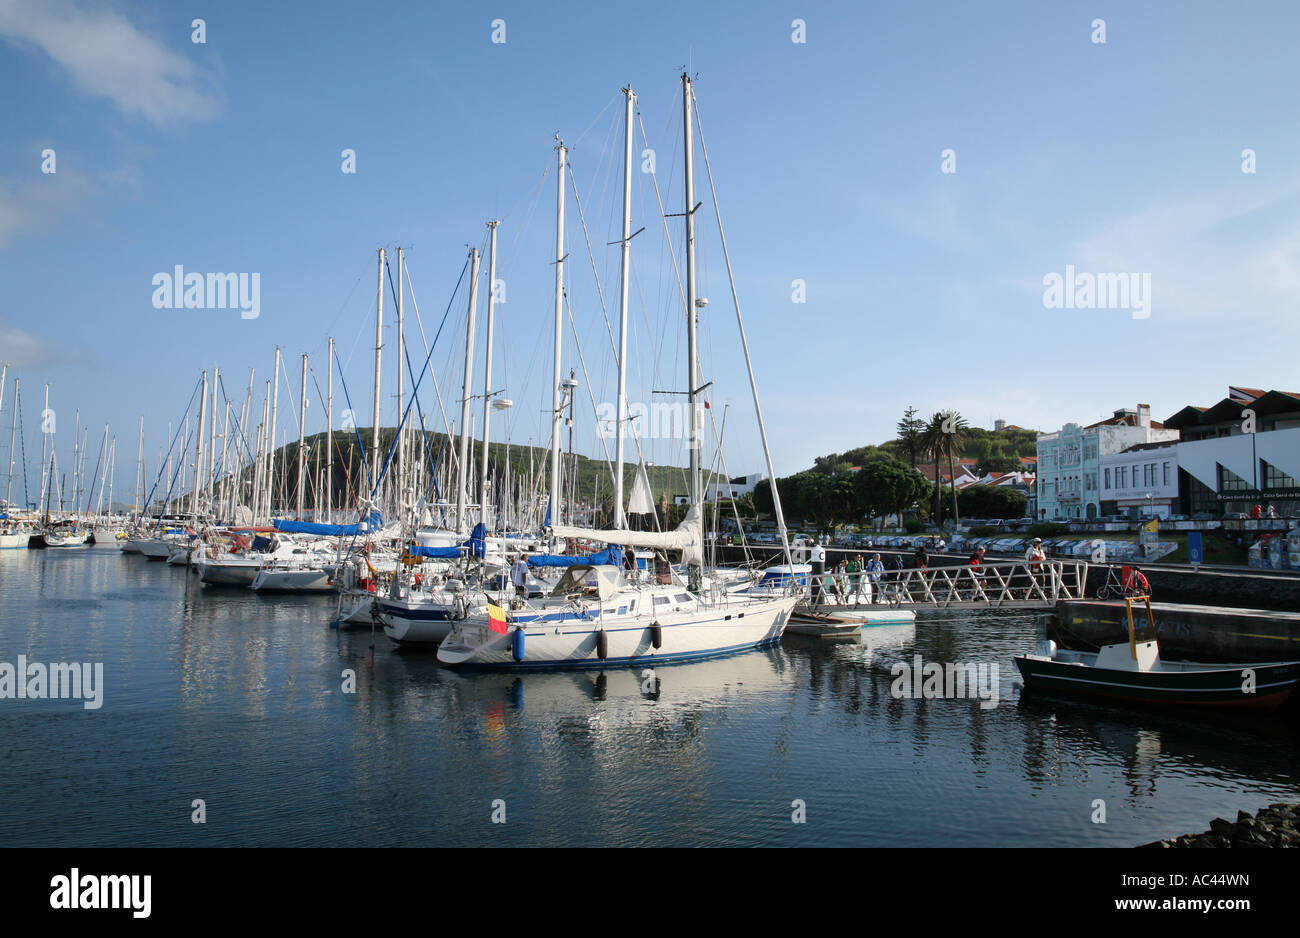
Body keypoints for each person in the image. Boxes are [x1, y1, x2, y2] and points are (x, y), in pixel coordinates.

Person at [809, 538, 827, 604]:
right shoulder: (818, 550)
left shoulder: (815, 550)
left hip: (817, 571)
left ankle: (816, 602)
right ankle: (819, 601)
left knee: (817, 583)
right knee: (818, 582)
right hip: (818, 571)